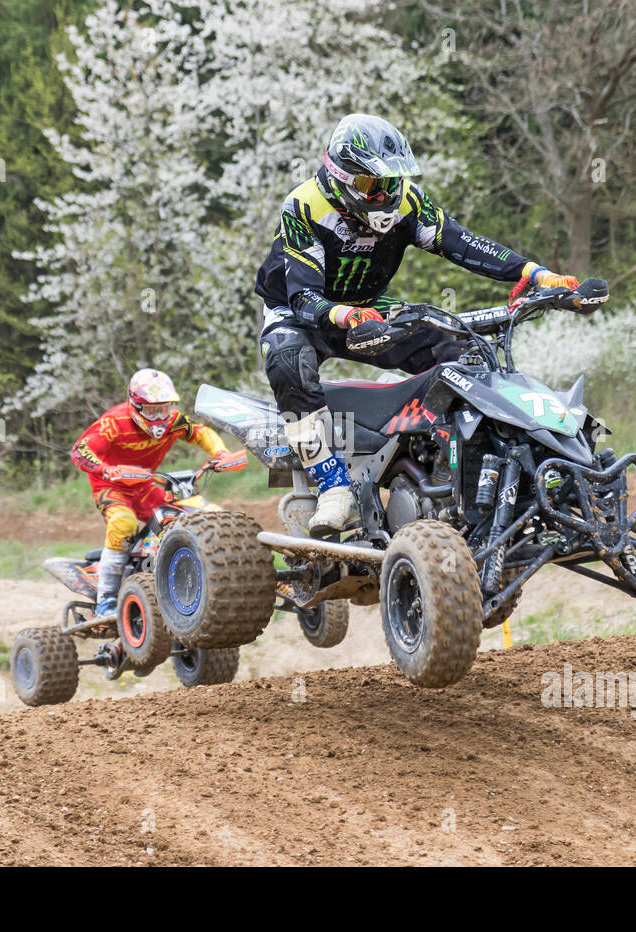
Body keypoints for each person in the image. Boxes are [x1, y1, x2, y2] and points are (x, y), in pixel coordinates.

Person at [255, 113, 580, 535]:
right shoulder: (304, 205)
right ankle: (334, 487)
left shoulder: (407, 201)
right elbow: (303, 296)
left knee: (462, 349)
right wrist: (346, 316)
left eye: (393, 181)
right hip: (301, 312)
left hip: (368, 306)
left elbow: (462, 242)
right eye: (374, 185)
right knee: (286, 358)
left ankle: (458, 471)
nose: (387, 194)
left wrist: (535, 273)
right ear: (342, 178)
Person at [71, 368, 227, 616]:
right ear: (136, 405)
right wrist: (105, 469)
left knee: (194, 514)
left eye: (165, 408)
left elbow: (200, 432)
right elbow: (80, 450)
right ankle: (106, 601)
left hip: (144, 487)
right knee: (123, 523)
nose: (160, 416)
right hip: (111, 487)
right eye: (153, 410)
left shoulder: (174, 422)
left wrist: (221, 454)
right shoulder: (114, 423)